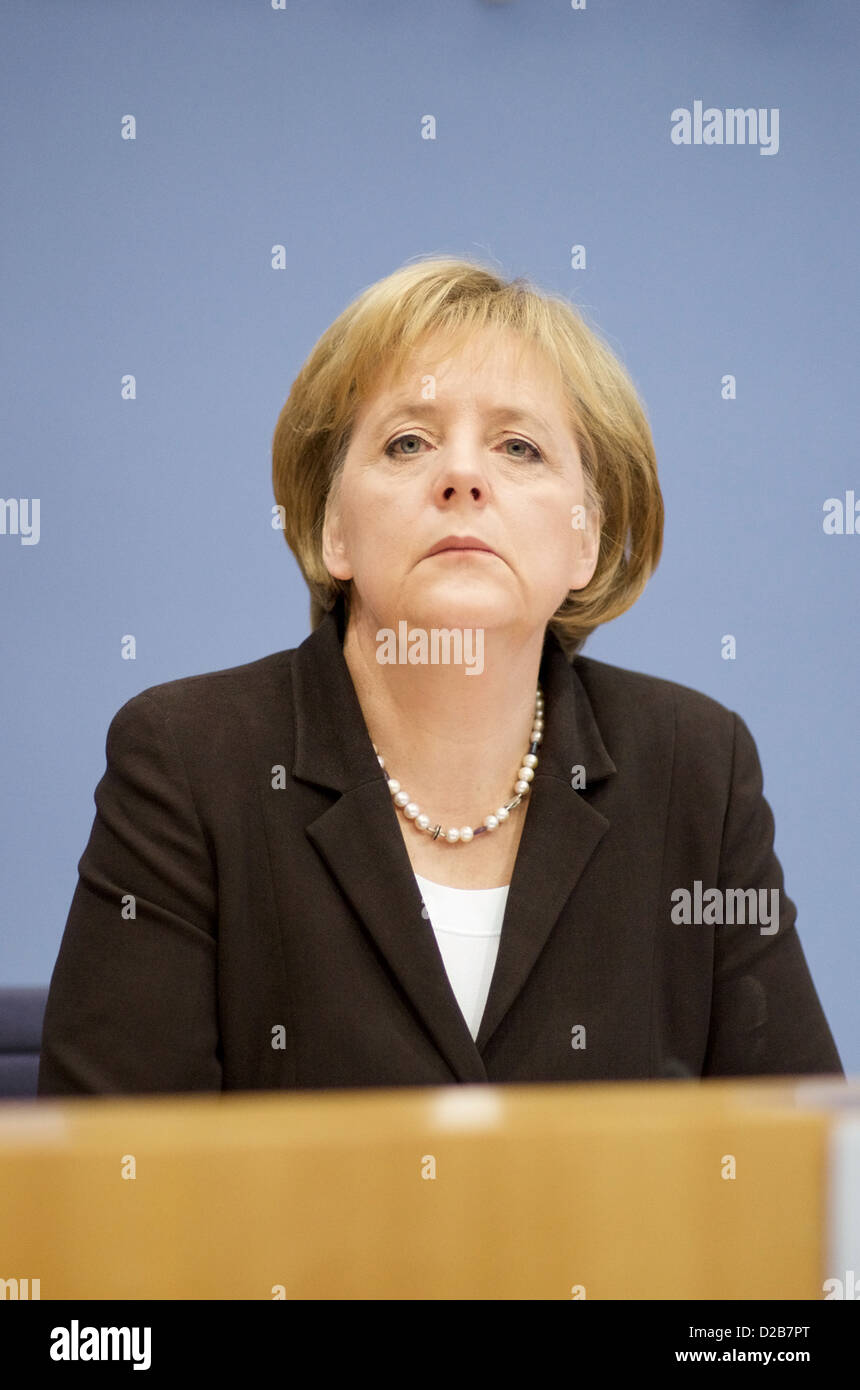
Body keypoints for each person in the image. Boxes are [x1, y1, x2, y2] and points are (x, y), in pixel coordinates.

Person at [37, 255, 843, 1094]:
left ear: (586, 539)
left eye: (519, 447)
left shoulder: (694, 770)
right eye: (408, 442)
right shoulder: (191, 761)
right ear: (332, 530)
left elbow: (799, 1169)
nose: (463, 477)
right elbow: (110, 1197)